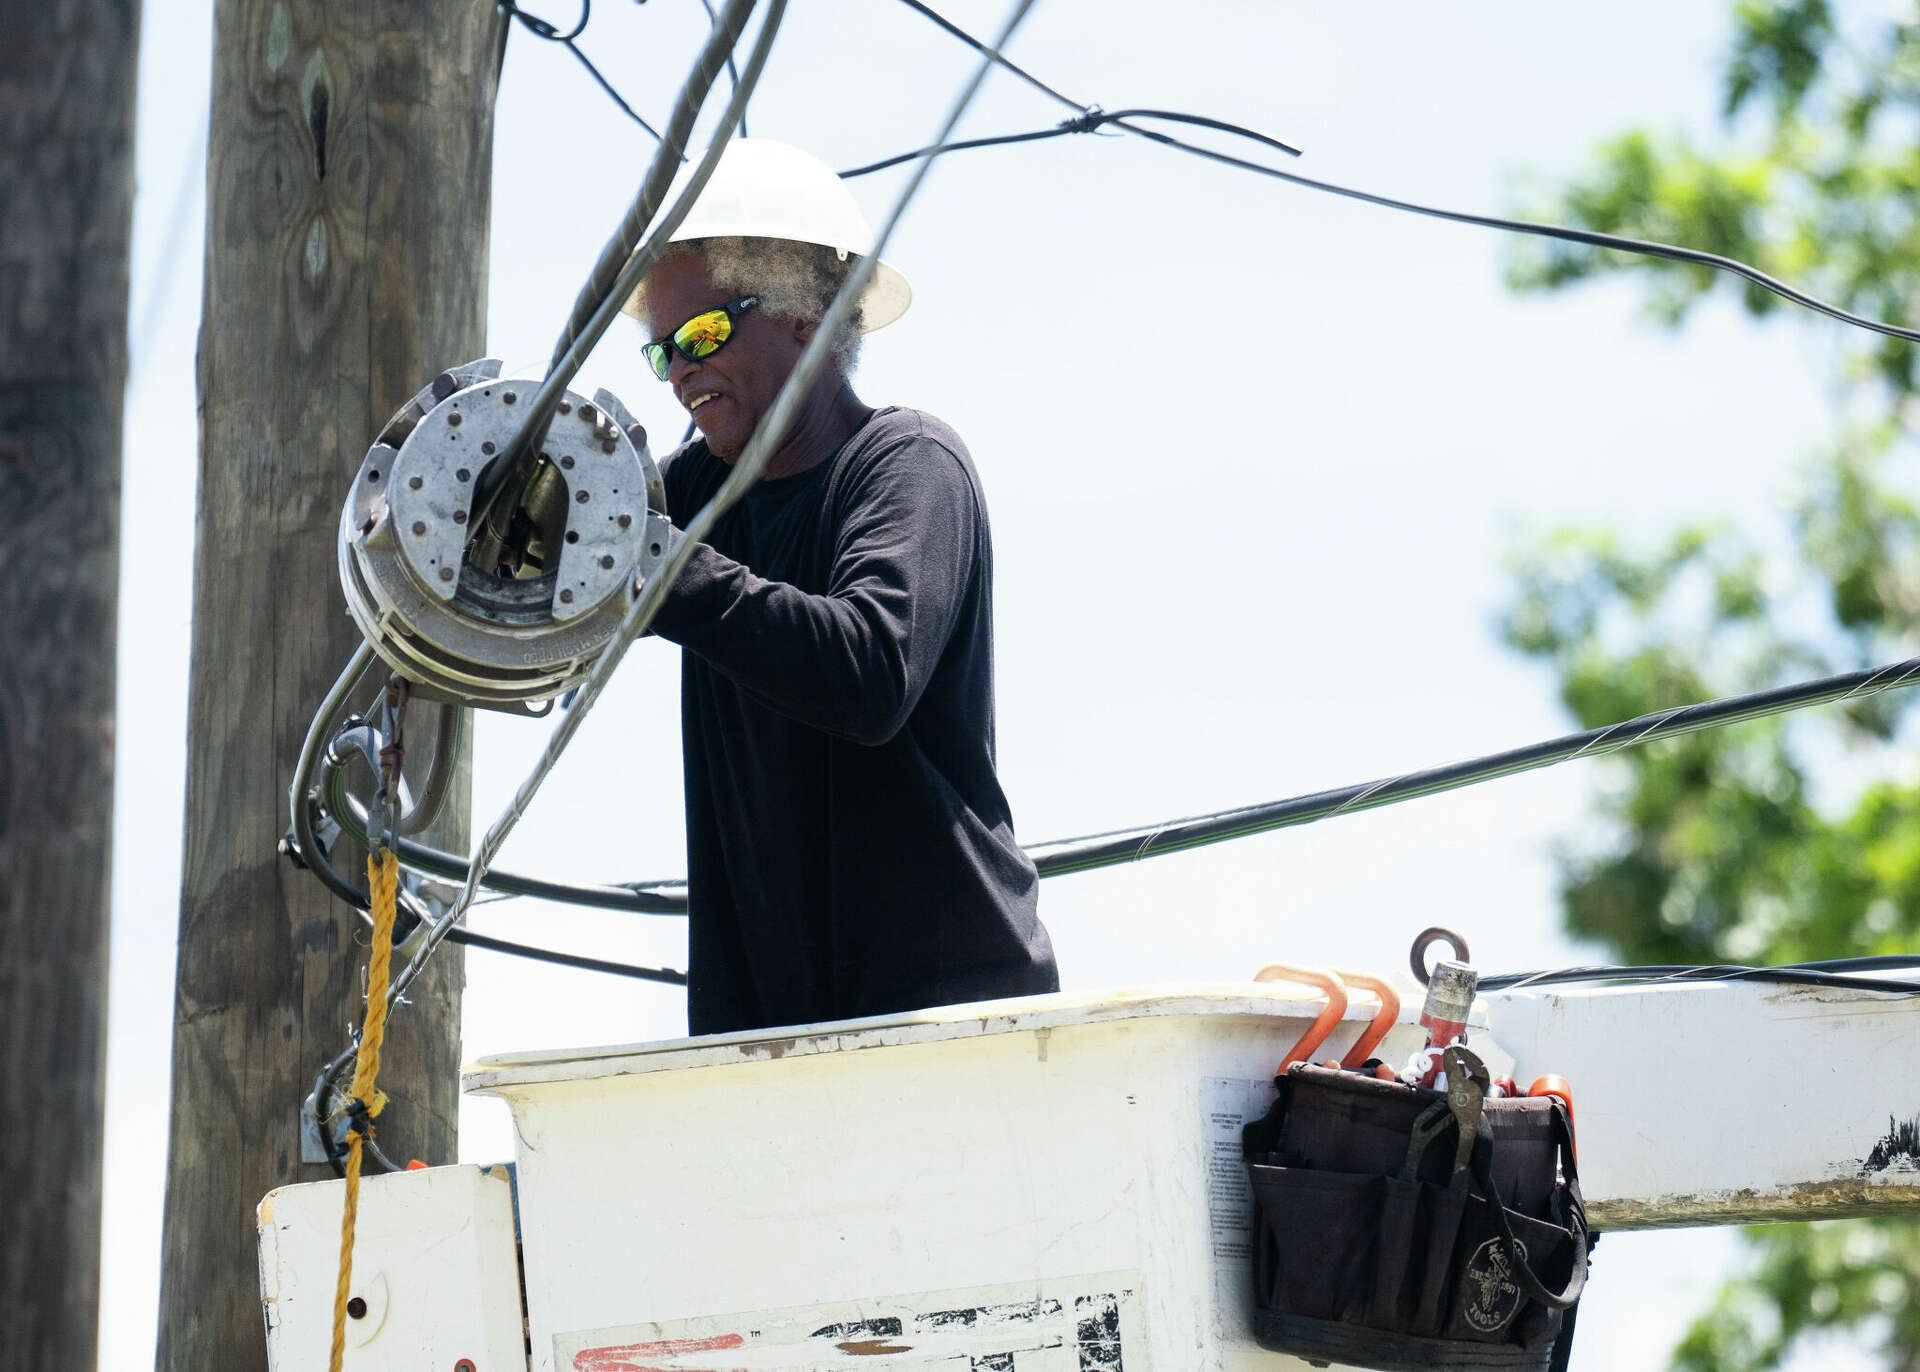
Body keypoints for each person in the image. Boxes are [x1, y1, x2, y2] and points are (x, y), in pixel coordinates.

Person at [625, 140, 1058, 1036]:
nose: (679, 372)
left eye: (703, 334)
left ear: (805, 314)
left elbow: (867, 673)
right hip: (770, 1027)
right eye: (662, 352)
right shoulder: (698, 493)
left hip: (948, 1019)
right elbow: (553, 599)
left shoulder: (906, 465)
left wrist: (654, 562)